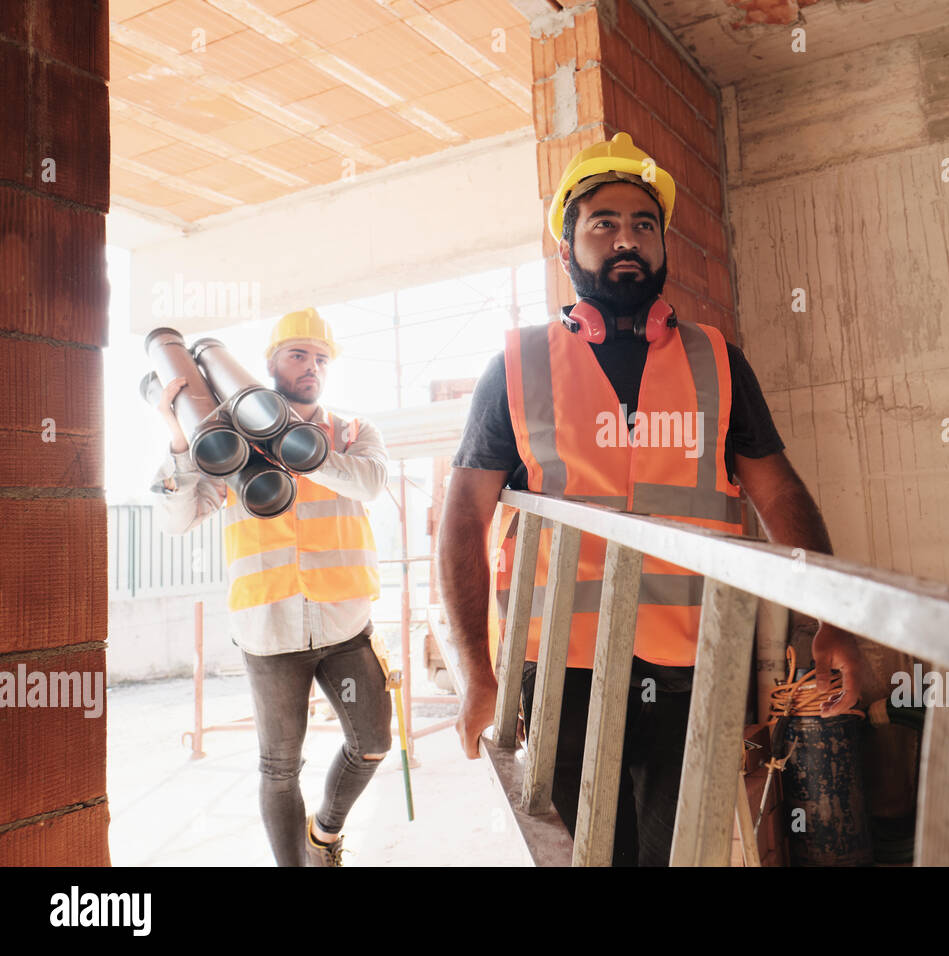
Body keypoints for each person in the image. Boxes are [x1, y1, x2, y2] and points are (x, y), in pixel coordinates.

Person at [437, 132, 869, 866]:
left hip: (694, 666)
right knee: (590, 854)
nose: (625, 239)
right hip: (562, 669)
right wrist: (479, 672)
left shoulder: (716, 359)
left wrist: (834, 619)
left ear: (662, 246)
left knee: (680, 854)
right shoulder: (518, 363)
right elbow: (464, 519)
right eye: (602, 223)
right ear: (567, 249)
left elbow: (779, 493)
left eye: (644, 224)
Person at [150, 308, 391, 867]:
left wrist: (293, 445)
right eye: (298, 354)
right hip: (269, 631)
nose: (312, 367)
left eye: (321, 358)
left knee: (373, 743)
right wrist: (179, 438)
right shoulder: (227, 442)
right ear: (270, 364)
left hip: (344, 623)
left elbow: (370, 482)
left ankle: (324, 835)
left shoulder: (352, 432)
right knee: (280, 768)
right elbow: (176, 520)